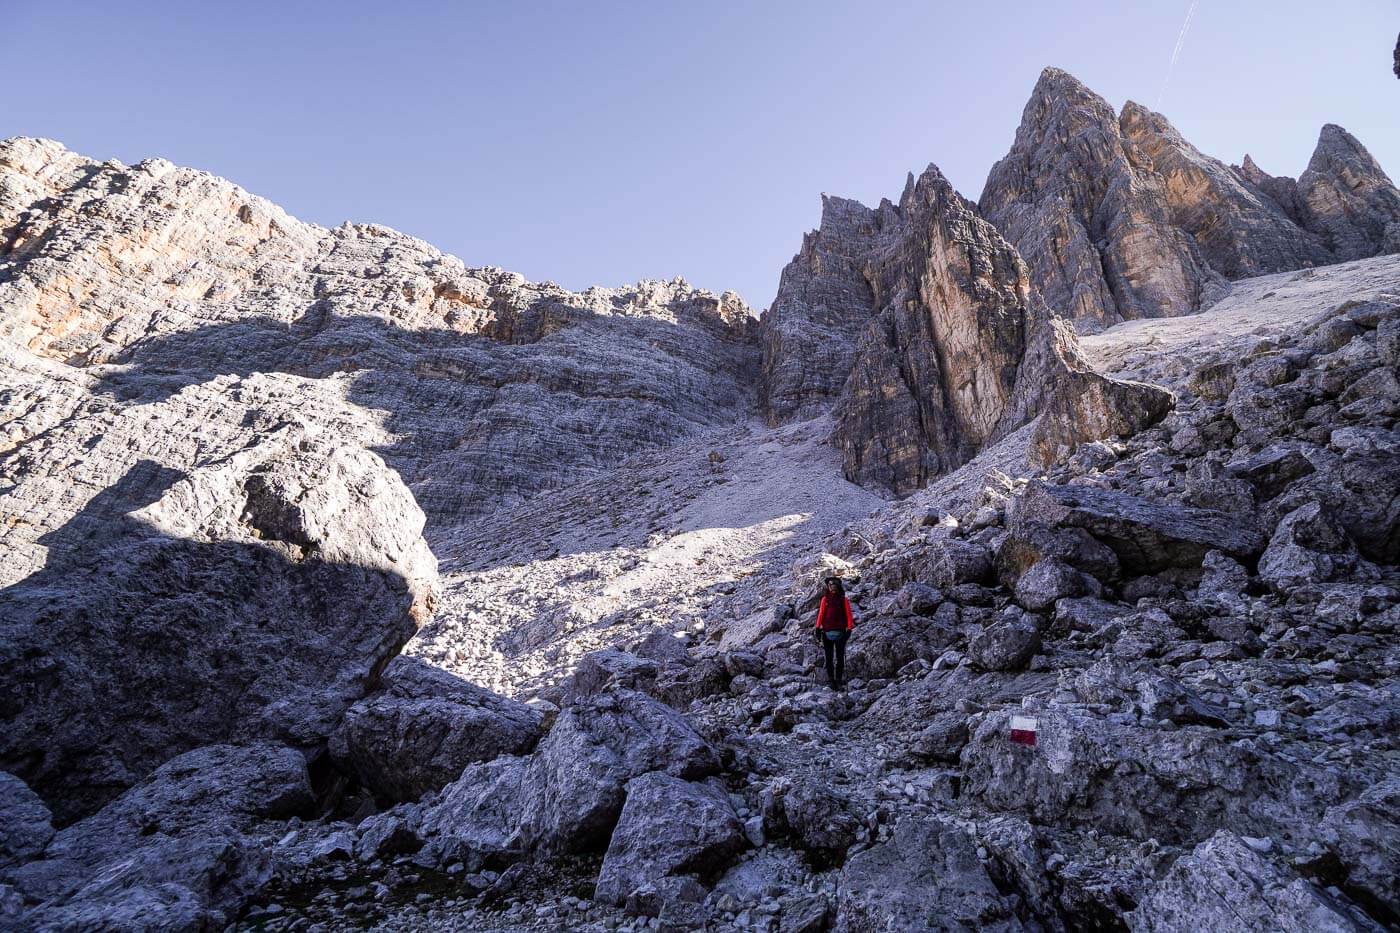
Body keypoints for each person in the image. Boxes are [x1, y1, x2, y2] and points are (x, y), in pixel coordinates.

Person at [813, 576, 854, 689]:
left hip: (830, 632)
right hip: (836, 632)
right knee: (834, 658)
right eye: (830, 585)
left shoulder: (840, 600)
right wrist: (817, 628)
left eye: (834, 584)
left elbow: (848, 615)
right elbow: (821, 614)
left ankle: (835, 680)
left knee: (833, 658)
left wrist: (818, 628)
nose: (832, 587)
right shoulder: (827, 600)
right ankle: (834, 680)